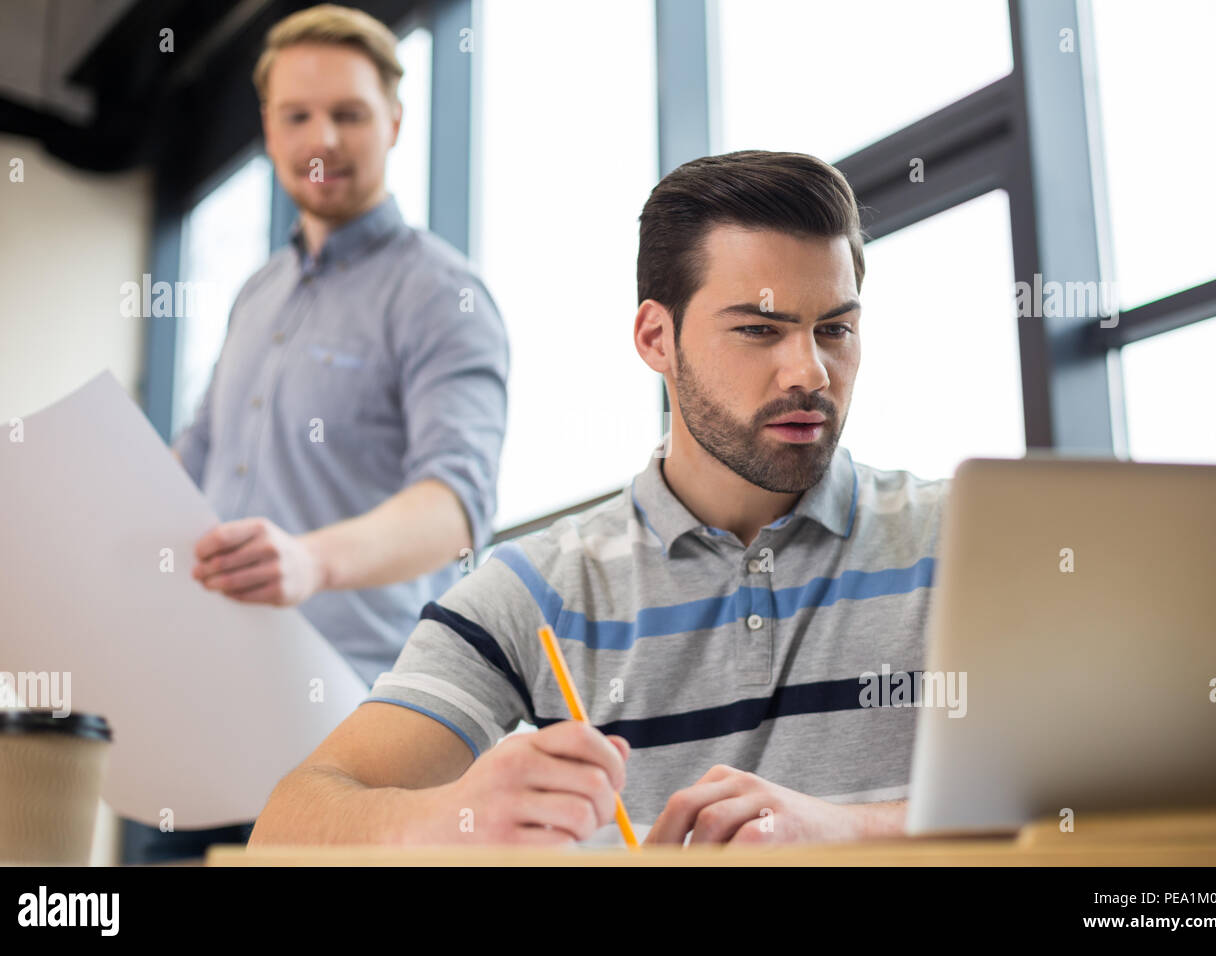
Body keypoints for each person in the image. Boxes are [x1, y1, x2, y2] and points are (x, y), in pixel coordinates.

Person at [250, 150, 947, 849]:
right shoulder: (536, 590)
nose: (810, 371)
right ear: (656, 338)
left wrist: (845, 830)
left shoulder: (961, 542)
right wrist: (452, 814)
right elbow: (283, 832)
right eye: (760, 329)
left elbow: (1061, 806)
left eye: (835, 329)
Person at [131, 5, 508, 862]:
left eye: (349, 113)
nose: (322, 138)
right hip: (201, 712)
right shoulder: (255, 297)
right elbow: (191, 468)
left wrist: (311, 560)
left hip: (351, 727)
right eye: (298, 114)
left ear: (395, 122)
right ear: (268, 127)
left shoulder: (441, 295)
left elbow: (454, 505)